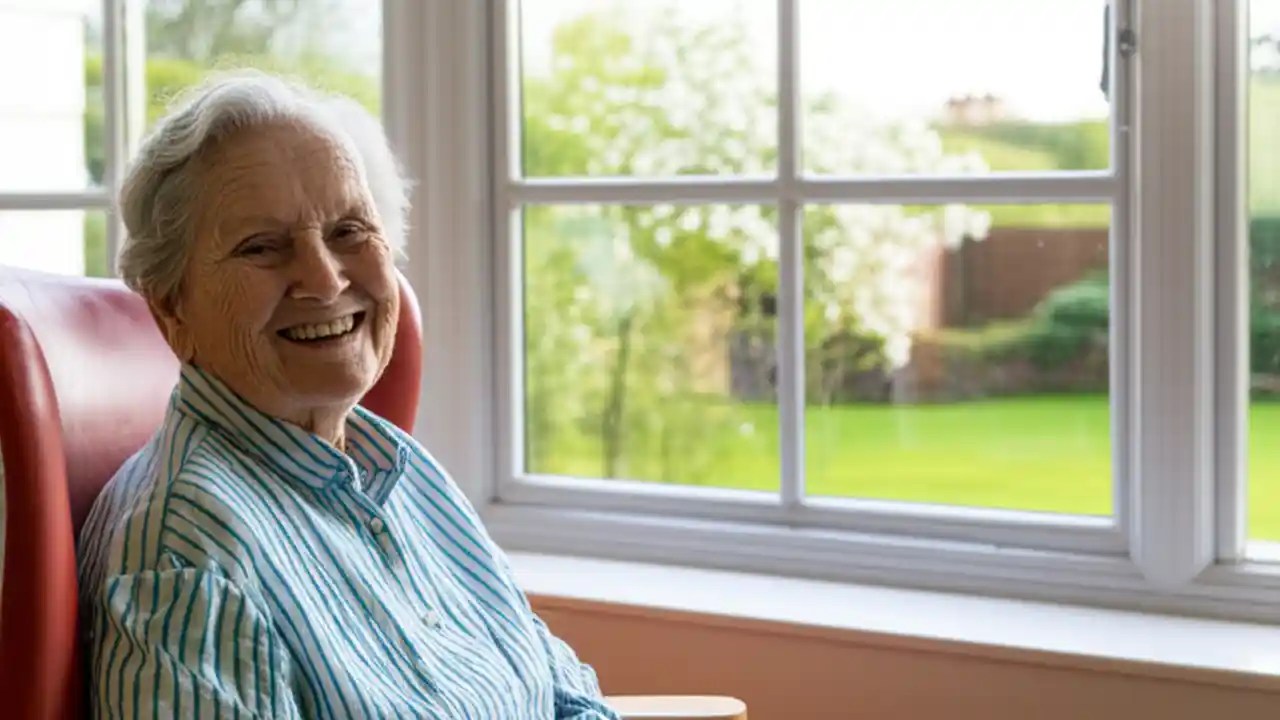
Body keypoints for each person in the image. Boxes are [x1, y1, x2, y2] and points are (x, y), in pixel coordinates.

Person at [77, 72, 619, 719]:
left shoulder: (396, 467)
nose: (323, 278)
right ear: (172, 311)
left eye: (348, 231)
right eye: (262, 247)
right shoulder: (189, 565)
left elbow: (557, 690)